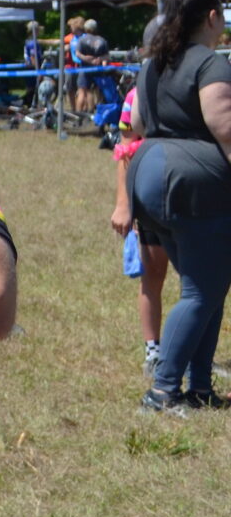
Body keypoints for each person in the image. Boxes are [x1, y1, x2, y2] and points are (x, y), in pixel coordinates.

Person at [127, 0, 231, 413]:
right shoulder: (210, 64)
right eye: (223, 13)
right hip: (190, 181)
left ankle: (201, 386)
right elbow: (224, 127)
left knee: (209, 284)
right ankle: (163, 392)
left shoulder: (153, 66)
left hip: (149, 173)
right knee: (201, 292)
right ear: (210, 17)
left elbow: (135, 123)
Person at [110, 87, 171, 374]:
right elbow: (125, 151)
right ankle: (153, 351)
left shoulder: (201, 80)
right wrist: (123, 204)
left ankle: (196, 352)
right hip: (153, 193)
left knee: (200, 284)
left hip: (195, 194)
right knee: (152, 274)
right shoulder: (138, 94)